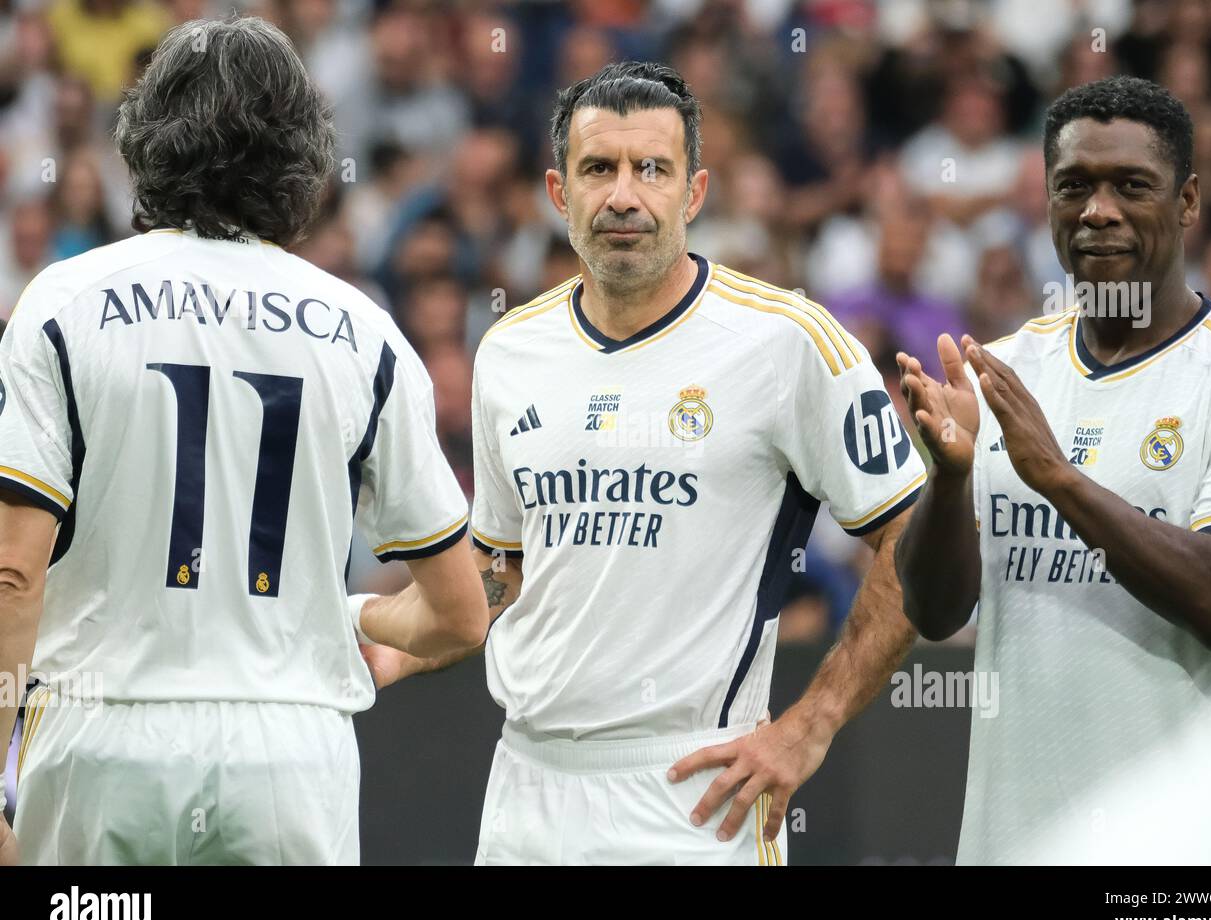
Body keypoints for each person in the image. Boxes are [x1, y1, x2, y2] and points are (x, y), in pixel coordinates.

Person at [354, 60, 925, 865]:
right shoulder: (510, 349)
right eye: (599, 169)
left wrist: (811, 724)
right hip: (524, 791)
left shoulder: (789, 342)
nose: (624, 195)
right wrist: (399, 641)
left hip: (695, 796)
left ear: (694, 193)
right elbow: (504, 571)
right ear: (559, 194)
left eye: (652, 169)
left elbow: (918, 539)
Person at [0, 16, 487, 866]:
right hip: (290, 757)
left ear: (144, 141)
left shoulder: (63, 302)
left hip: (102, 738)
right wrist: (350, 615)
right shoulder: (364, 332)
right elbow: (458, 617)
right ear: (303, 159)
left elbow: (12, 572)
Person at [895, 76, 1211, 864]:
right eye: (1073, 186)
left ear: (1186, 203)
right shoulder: (1006, 369)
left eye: (1130, 187)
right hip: (1013, 836)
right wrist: (948, 483)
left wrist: (1058, 478)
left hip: (1185, 857)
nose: (1098, 210)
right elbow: (936, 612)